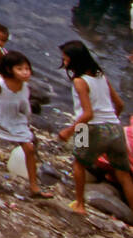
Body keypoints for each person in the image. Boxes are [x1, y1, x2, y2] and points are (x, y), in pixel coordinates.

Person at [57, 40, 133, 214]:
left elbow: (87, 114)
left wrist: (68, 131)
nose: (65, 62)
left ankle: (80, 204)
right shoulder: (101, 76)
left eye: (66, 59)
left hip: (88, 128)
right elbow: (120, 104)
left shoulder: (79, 81)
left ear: (75, 60)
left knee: (78, 162)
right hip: (114, 126)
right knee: (123, 174)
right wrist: (110, 119)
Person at [0, 51, 51, 197]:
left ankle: (34, 186)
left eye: (27, 69)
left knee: (29, 148)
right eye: (20, 69)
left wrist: (27, 122)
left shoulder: (25, 86)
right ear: (9, 70)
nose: (25, 73)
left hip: (14, 119)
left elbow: (24, 105)